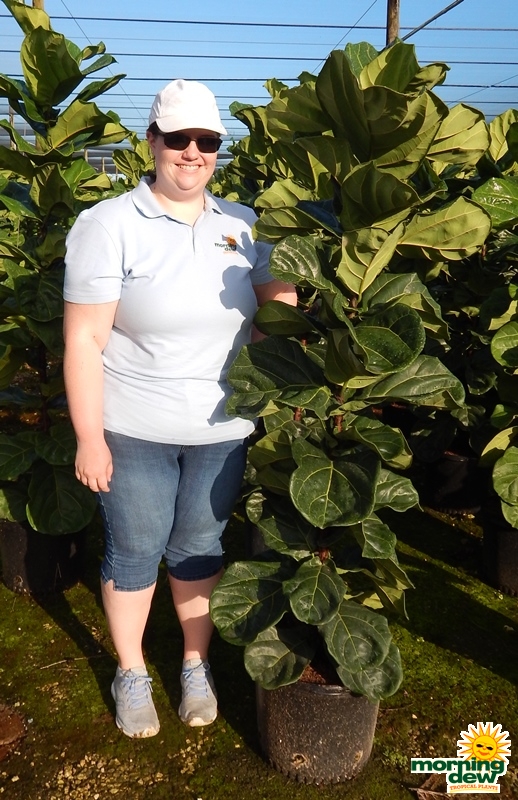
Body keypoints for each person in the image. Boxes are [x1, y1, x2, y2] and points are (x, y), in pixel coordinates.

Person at [63, 79, 297, 739]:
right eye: (178, 139)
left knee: (199, 544)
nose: (192, 153)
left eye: (208, 141)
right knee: (136, 548)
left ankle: (195, 663)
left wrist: (268, 323)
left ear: (219, 149)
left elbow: (277, 308)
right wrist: (89, 437)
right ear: (153, 142)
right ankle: (132, 672)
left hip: (223, 427)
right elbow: (84, 337)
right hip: (131, 426)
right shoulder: (108, 225)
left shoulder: (243, 224)